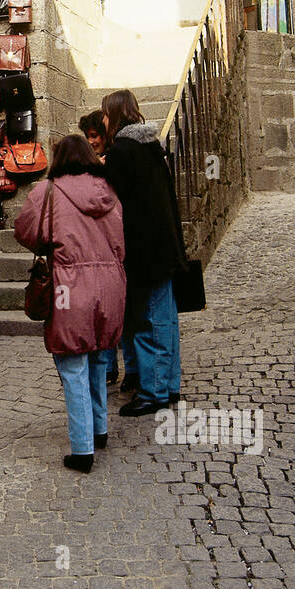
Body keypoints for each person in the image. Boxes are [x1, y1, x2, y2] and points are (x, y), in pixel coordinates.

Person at [15, 134, 126, 474]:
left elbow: (24, 231)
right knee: (97, 359)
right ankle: (99, 428)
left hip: (69, 288)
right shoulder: (110, 192)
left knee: (72, 366)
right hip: (109, 286)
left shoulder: (47, 192)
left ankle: (82, 449)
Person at [101, 89, 188, 417]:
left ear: (115, 114)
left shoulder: (123, 151)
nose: (105, 121)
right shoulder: (151, 147)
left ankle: (153, 391)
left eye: (106, 115)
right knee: (165, 319)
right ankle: (169, 386)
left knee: (147, 321)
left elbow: (113, 203)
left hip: (143, 251)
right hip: (164, 246)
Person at [78, 112, 139, 390]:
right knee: (107, 316)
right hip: (100, 251)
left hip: (114, 250)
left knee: (119, 315)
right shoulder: (93, 166)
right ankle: (111, 369)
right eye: (88, 138)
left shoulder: (111, 165)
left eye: (95, 136)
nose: (92, 142)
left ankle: (128, 370)